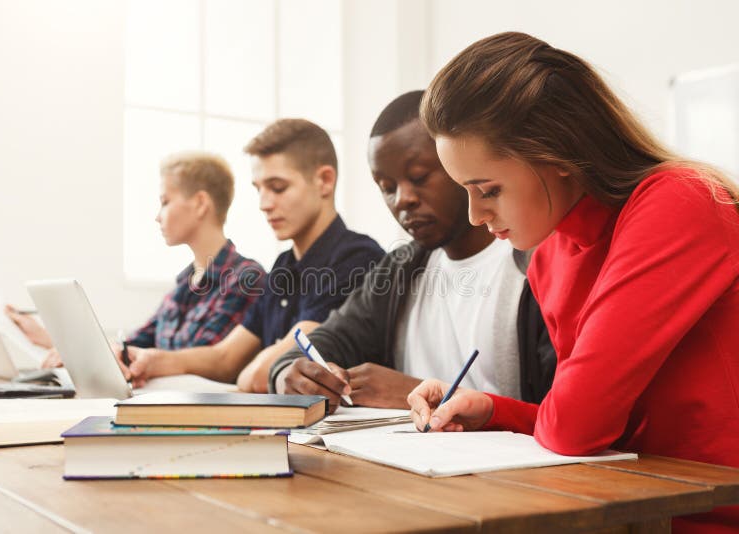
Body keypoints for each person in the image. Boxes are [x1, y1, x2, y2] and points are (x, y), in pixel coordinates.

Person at [407, 32, 739, 533]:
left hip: (708, 516)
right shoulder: (549, 257)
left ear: (557, 152)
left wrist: (553, 419)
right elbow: (601, 425)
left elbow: (577, 426)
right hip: (638, 508)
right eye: (466, 193)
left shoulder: (682, 203)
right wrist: (494, 410)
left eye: (488, 189)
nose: (475, 215)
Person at [268, 91, 555, 410]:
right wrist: (289, 375)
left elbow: (568, 417)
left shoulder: (537, 262)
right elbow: (323, 343)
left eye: (418, 177)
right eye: (387, 188)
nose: (402, 199)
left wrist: (418, 392)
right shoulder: (401, 268)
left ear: (460, 166)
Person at [128, 119, 385, 387]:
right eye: (258, 189)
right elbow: (225, 357)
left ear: (324, 181)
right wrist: (151, 360)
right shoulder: (283, 267)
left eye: (278, 188)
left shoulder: (356, 258)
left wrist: (249, 371)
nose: (264, 204)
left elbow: (263, 373)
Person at [7, 151, 265, 373]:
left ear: (199, 204)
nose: (157, 216)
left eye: (165, 202)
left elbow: (209, 361)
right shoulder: (182, 287)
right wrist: (50, 339)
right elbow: (132, 345)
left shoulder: (245, 278)